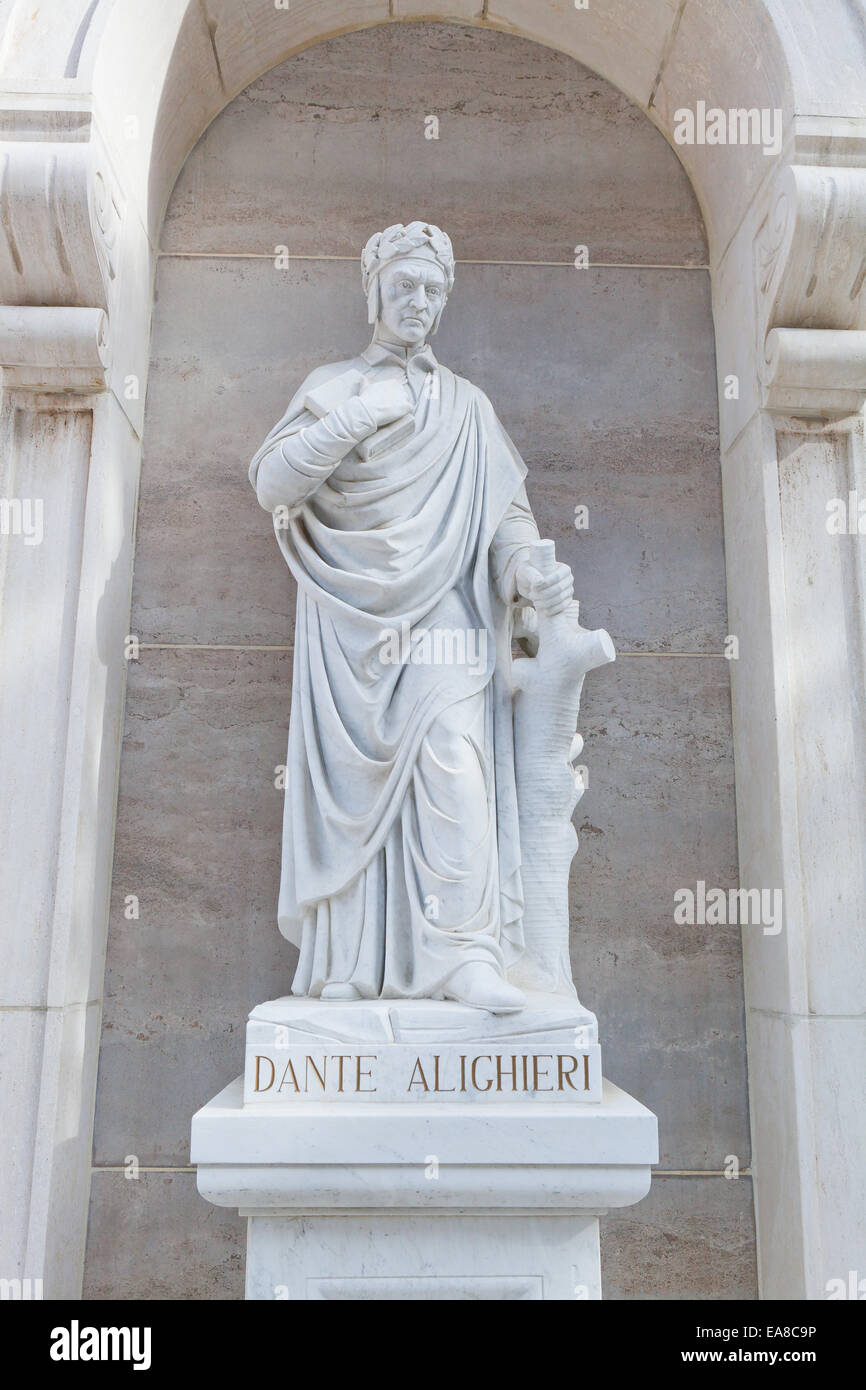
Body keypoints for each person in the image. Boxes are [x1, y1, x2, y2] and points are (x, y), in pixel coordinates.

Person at [250, 221, 573, 1012]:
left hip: (447, 621)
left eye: (433, 290)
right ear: (375, 294)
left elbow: (506, 521)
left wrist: (526, 569)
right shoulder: (334, 385)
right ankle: (349, 963)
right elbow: (272, 482)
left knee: (454, 765)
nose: (419, 302)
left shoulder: (468, 407)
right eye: (404, 286)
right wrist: (358, 416)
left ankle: (464, 956)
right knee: (354, 790)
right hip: (351, 627)